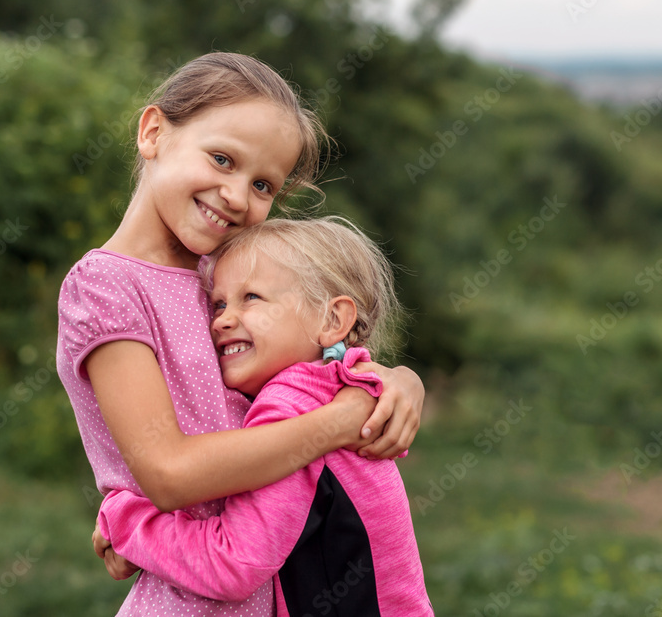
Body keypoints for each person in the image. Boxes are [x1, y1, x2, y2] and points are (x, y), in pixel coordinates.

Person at [56, 53, 425, 616]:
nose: (236, 195)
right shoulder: (106, 288)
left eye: (262, 184)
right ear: (154, 132)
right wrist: (339, 421)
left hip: (275, 589)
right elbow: (170, 474)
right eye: (222, 159)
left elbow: (308, 366)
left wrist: (398, 380)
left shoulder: (224, 280)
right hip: (190, 598)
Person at [97, 217, 433, 616]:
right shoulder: (342, 384)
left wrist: (128, 522)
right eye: (219, 303)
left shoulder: (291, 403)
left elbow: (233, 564)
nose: (221, 319)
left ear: (331, 321)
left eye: (252, 297)